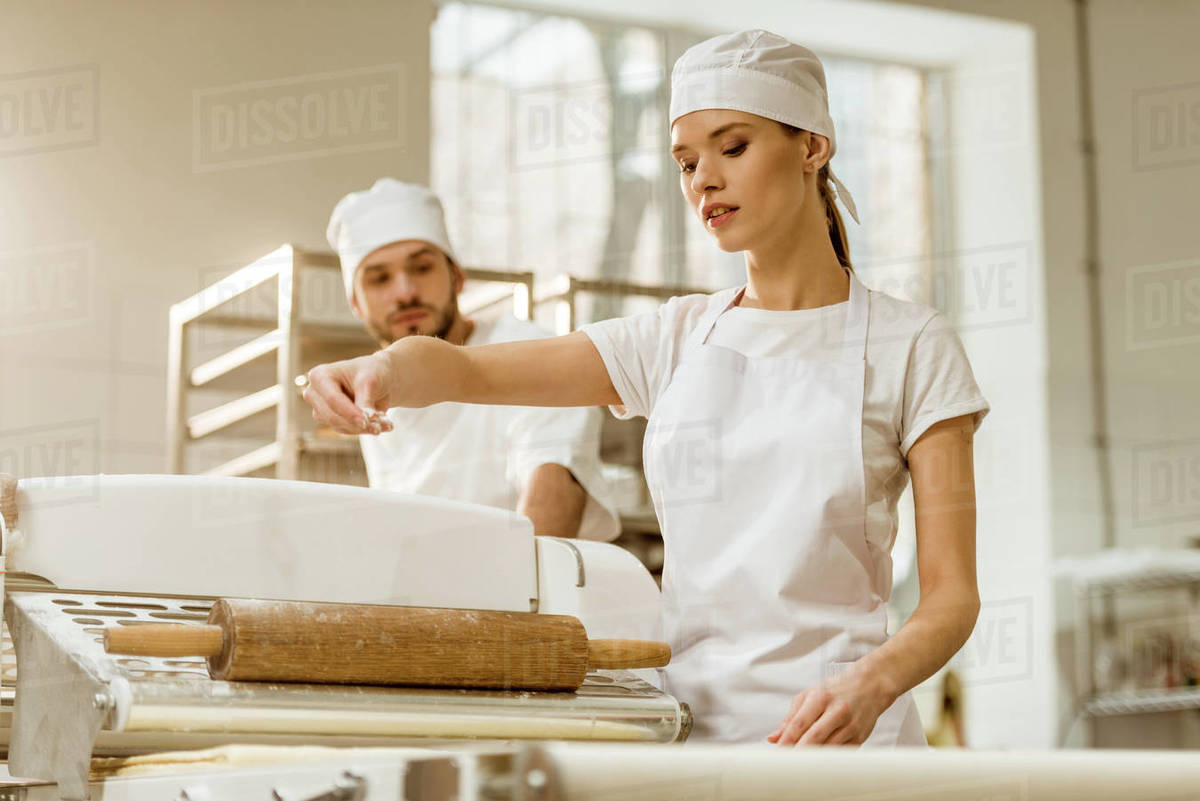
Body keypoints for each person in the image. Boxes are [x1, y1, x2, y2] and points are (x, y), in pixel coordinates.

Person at [305, 31, 988, 747]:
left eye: (733, 147)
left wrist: (874, 681)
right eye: (687, 161)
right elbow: (467, 369)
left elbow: (952, 596)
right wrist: (380, 372)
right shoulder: (671, 339)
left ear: (813, 145)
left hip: (849, 743)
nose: (703, 181)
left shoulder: (912, 344)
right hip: (693, 736)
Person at [325, 178, 620, 541]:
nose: (405, 292)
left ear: (457, 276)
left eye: (421, 268)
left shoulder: (525, 348)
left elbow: (554, 492)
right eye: (379, 278)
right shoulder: (374, 395)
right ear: (355, 304)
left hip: (525, 591)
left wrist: (505, 595)